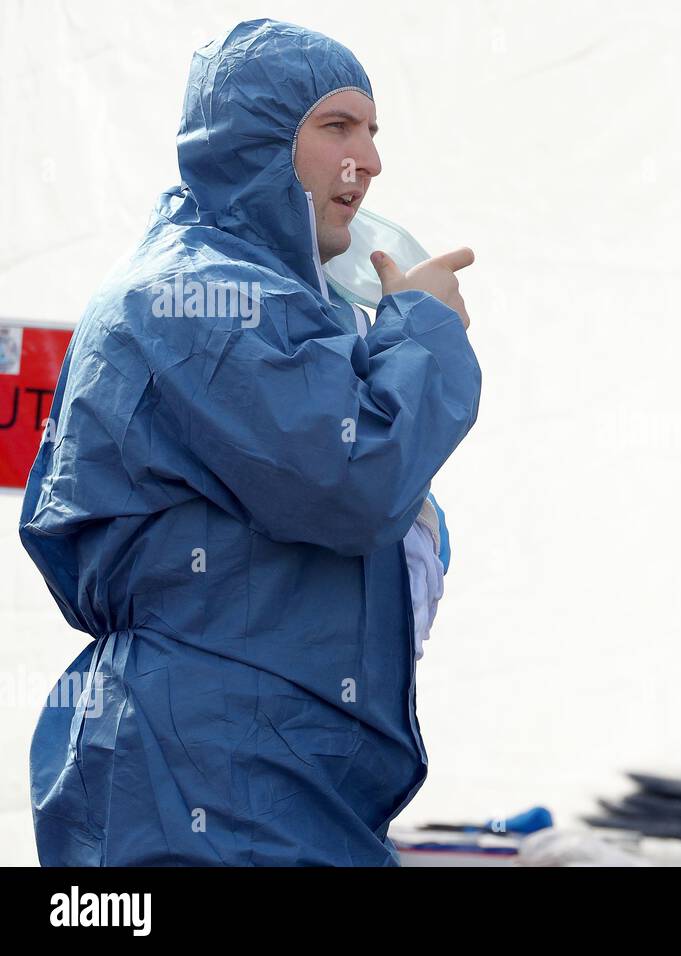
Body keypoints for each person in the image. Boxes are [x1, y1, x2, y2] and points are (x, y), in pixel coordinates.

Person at [20, 19, 482, 866]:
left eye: (374, 132)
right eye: (337, 127)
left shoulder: (260, 295)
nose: (369, 161)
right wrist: (423, 335)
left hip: (258, 777)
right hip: (209, 782)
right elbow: (355, 479)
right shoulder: (205, 302)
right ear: (257, 144)